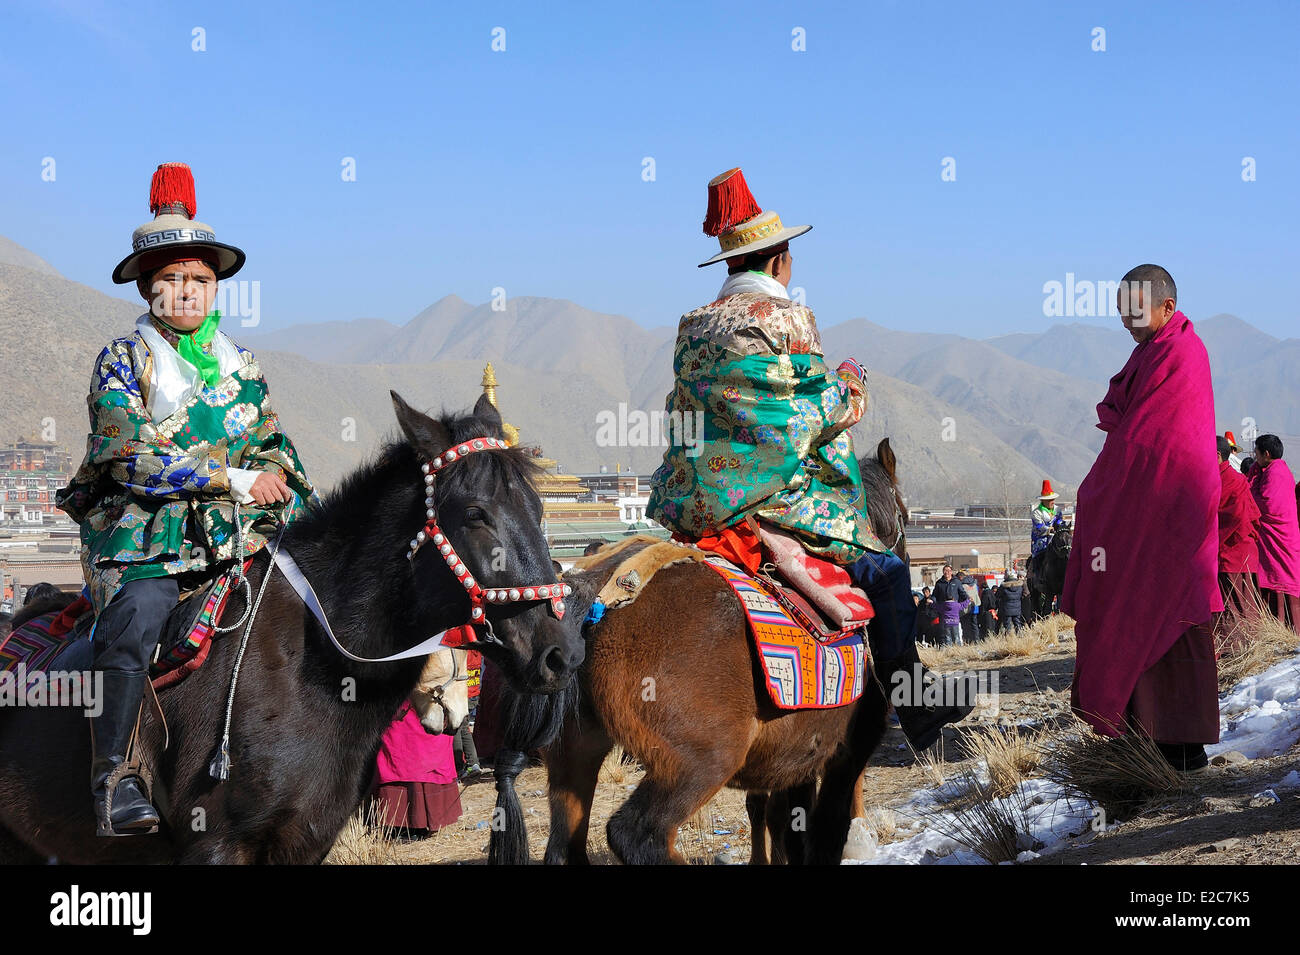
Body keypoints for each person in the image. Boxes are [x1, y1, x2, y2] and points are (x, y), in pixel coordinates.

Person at [647, 167, 974, 749]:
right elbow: (811, 414)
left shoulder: (691, 327)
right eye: (790, 257)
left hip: (696, 500)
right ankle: (916, 702)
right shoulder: (788, 318)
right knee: (888, 572)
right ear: (777, 262)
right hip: (769, 499)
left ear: (729, 267)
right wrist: (851, 381)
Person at [55, 162, 314, 836]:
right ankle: (117, 776)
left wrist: (283, 487)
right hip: (140, 536)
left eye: (197, 278)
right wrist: (230, 477)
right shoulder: (121, 359)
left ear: (216, 286)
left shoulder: (242, 366)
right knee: (139, 615)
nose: (183, 290)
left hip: (236, 535)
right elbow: (128, 453)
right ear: (147, 287)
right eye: (168, 279)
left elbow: (273, 447)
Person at [1060, 264, 1220, 772]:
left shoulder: (1182, 353)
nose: (1126, 322)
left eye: (1135, 312)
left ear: (1167, 308)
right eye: (1121, 313)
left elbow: (1160, 445)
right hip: (1154, 509)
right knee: (1131, 604)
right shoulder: (1149, 351)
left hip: (1173, 517)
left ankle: (1182, 749)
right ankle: (1147, 743)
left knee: (1167, 615)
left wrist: (1108, 490)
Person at [370, 703, 463, 837]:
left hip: (426, 712)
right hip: (404, 714)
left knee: (410, 758)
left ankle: (413, 825)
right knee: (401, 758)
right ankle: (403, 825)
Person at [1245, 434, 1300, 631]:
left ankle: (1285, 629)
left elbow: (1268, 504)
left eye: (1257, 452)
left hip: (1280, 537)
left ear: (1266, 453)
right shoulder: (1262, 470)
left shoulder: (1277, 472)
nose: (1255, 456)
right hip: (1271, 538)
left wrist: (1249, 499)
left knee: (1280, 579)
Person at [1214, 434, 1262, 648]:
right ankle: (1250, 646)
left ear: (1217, 456)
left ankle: (1236, 651)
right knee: (1244, 604)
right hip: (1244, 550)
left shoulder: (1227, 480)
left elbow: (1233, 516)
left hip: (1231, 550)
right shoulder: (1235, 478)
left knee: (1232, 607)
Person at [931, 564, 970, 647]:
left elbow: (962, 593)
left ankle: (957, 648)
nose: (947, 572)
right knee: (944, 631)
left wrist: (968, 599)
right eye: (945, 570)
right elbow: (934, 595)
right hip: (943, 610)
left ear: (951, 572)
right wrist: (932, 601)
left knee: (956, 631)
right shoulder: (939, 583)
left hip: (954, 610)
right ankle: (945, 647)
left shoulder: (956, 581)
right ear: (943, 572)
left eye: (948, 570)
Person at [1030, 480, 1066, 559]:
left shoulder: (1057, 510)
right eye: (1050, 500)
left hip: (1055, 537)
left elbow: (1059, 520)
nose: (1052, 501)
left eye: (1053, 499)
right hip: (1041, 538)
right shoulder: (1036, 513)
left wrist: (1061, 526)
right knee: (1038, 558)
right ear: (1043, 500)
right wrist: (1049, 529)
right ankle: (1035, 569)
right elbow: (1039, 526)